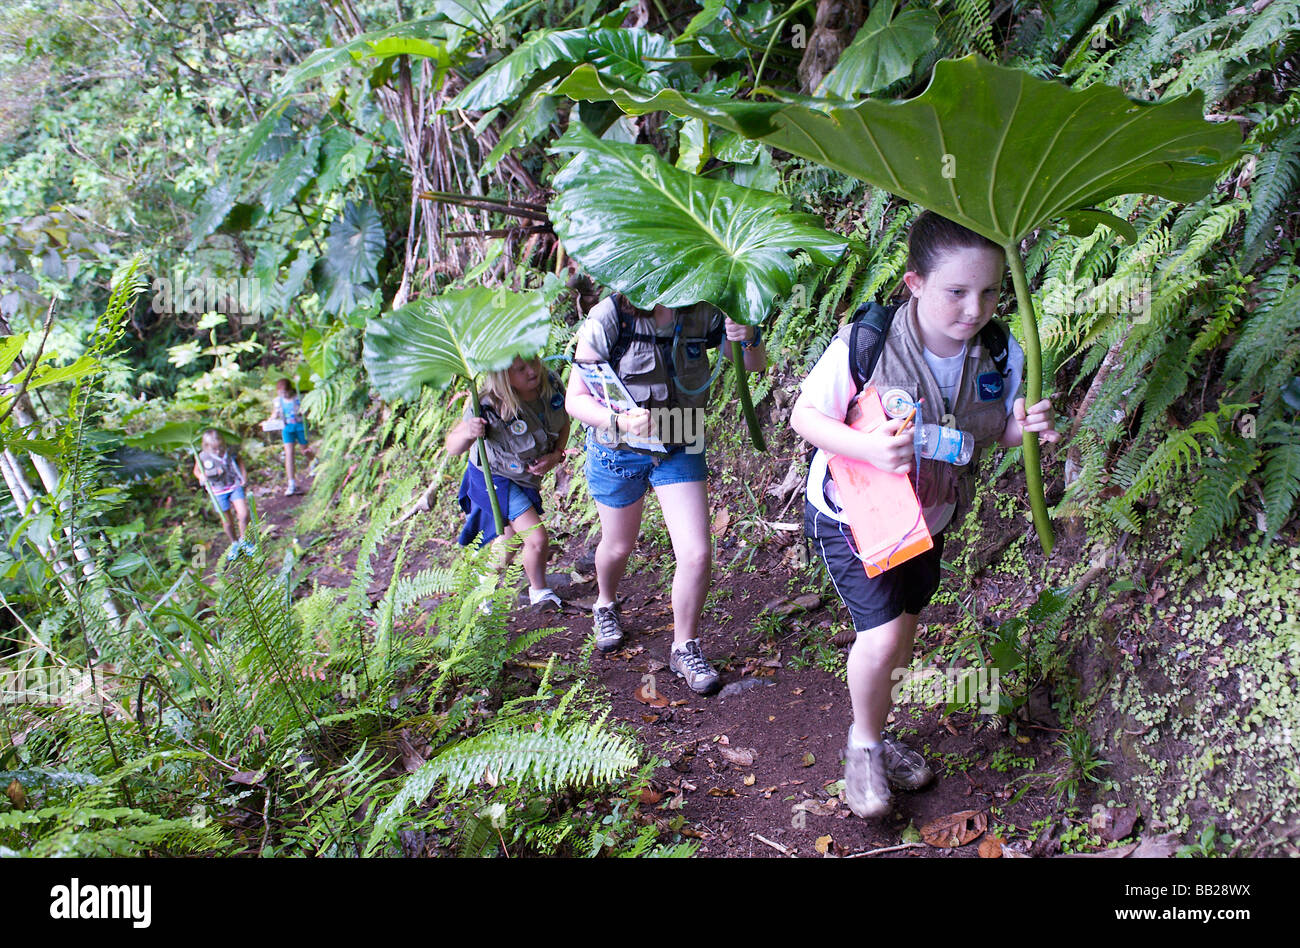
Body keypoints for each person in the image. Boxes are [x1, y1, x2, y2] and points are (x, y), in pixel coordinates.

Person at [790, 211, 1060, 819]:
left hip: (929, 519)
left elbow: (1002, 430)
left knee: (904, 635)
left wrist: (1030, 426)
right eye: (957, 292)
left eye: (990, 291)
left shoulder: (999, 350)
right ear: (914, 284)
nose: (975, 308)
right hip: (853, 512)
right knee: (882, 635)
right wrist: (869, 446)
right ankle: (861, 749)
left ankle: (879, 736)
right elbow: (805, 417)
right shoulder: (870, 342)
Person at [565, 293, 765, 694]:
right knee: (618, 546)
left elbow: (752, 365)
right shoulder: (611, 317)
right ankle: (605, 602)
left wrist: (749, 337)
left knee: (696, 552)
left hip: (680, 439)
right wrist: (617, 421)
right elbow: (575, 399)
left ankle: (683, 646)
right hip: (618, 448)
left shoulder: (703, 309)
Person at [447, 355, 571, 609]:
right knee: (535, 538)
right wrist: (470, 432)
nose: (531, 371)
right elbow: (452, 446)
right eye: (519, 369)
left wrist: (556, 455)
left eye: (533, 362)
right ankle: (539, 591)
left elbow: (564, 421)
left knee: (509, 540)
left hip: (525, 476)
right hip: (494, 476)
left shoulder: (551, 385)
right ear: (503, 375)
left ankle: (483, 589)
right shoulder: (486, 405)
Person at [193, 428, 252, 558]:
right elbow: (196, 471)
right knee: (227, 521)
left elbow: (239, 460)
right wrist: (201, 476)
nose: (218, 451)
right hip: (218, 490)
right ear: (206, 447)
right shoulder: (202, 456)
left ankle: (245, 541)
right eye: (215, 449)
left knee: (243, 514)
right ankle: (234, 543)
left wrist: (243, 475)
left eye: (220, 447)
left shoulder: (230, 450)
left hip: (234, 485)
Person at [270, 378, 309, 496]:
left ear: (289, 390)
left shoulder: (299, 398)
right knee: (289, 454)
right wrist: (269, 420)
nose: (283, 395)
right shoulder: (278, 401)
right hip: (287, 429)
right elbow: (275, 413)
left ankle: (315, 461)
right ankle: (291, 483)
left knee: (305, 451)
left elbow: (307, 411)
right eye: (281, 393)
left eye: (285, 392)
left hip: (300, 427)